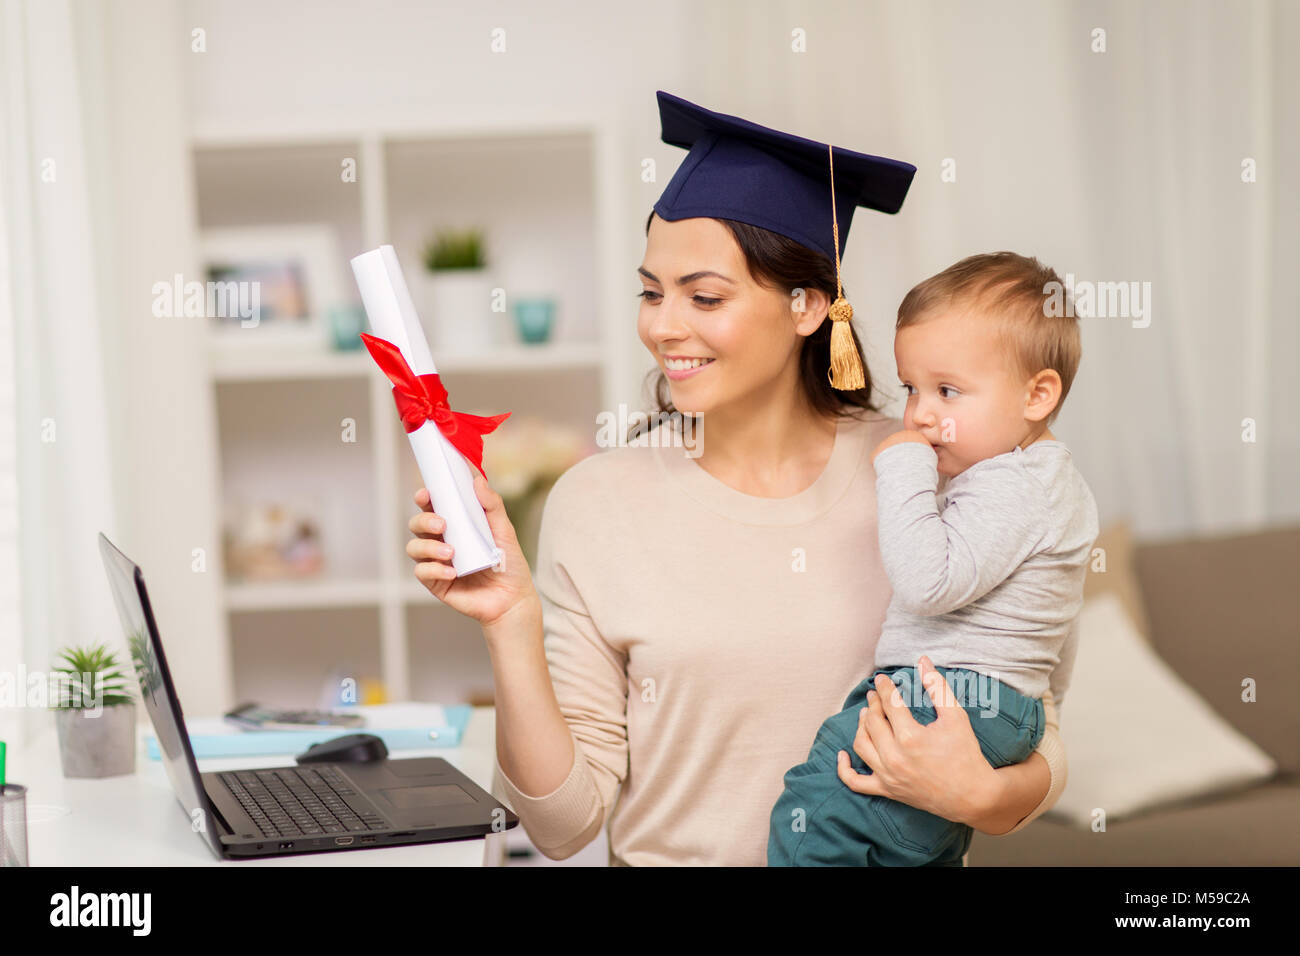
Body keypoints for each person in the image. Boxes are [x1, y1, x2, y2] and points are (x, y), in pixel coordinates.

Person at [404, 91, 1069, 866]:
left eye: (705, 297)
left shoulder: (931, 470)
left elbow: (1037, 726)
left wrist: (982, 800)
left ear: (808, 306)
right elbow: (563, 828)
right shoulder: (597, 503)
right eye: (651, 292)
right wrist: (509, 623)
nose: (663, 325)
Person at [768, 252, 1099, 865]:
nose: (919, 413)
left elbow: (925, 582)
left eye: (947, 390)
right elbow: (1061, 624)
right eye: (912, 388)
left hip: (951, 698)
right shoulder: (1050, 484)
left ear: (1037, 395)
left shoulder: (1011, 485)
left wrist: (902, 466)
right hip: (999, 706)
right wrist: (1036, 704)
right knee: (909, 850)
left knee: (814, 810)